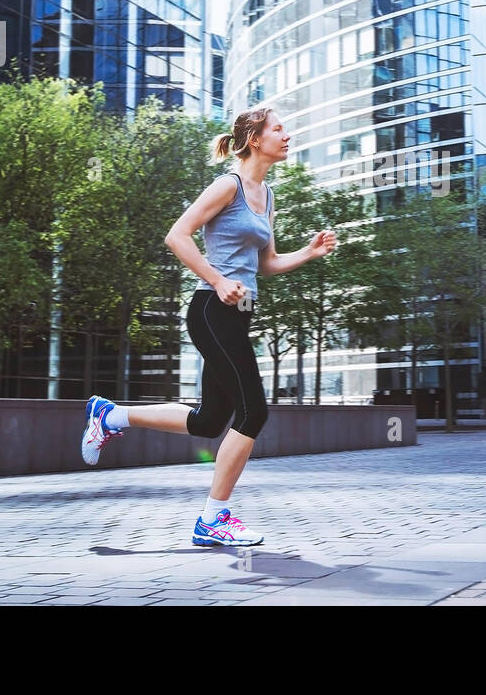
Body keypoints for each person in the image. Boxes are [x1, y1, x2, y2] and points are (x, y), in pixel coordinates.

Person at [79, 106, 337, 547]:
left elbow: (267, 264)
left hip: (238, 314)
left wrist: (308, 254)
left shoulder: (267, 195)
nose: (287, 136)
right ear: (255, 138)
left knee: (208, 420)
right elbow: (177, 235)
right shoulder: (227, 185)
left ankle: (111, 415)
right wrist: (217, 281)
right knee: (254, 411)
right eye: (279, 128)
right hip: (210, 311)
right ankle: (213, 518)